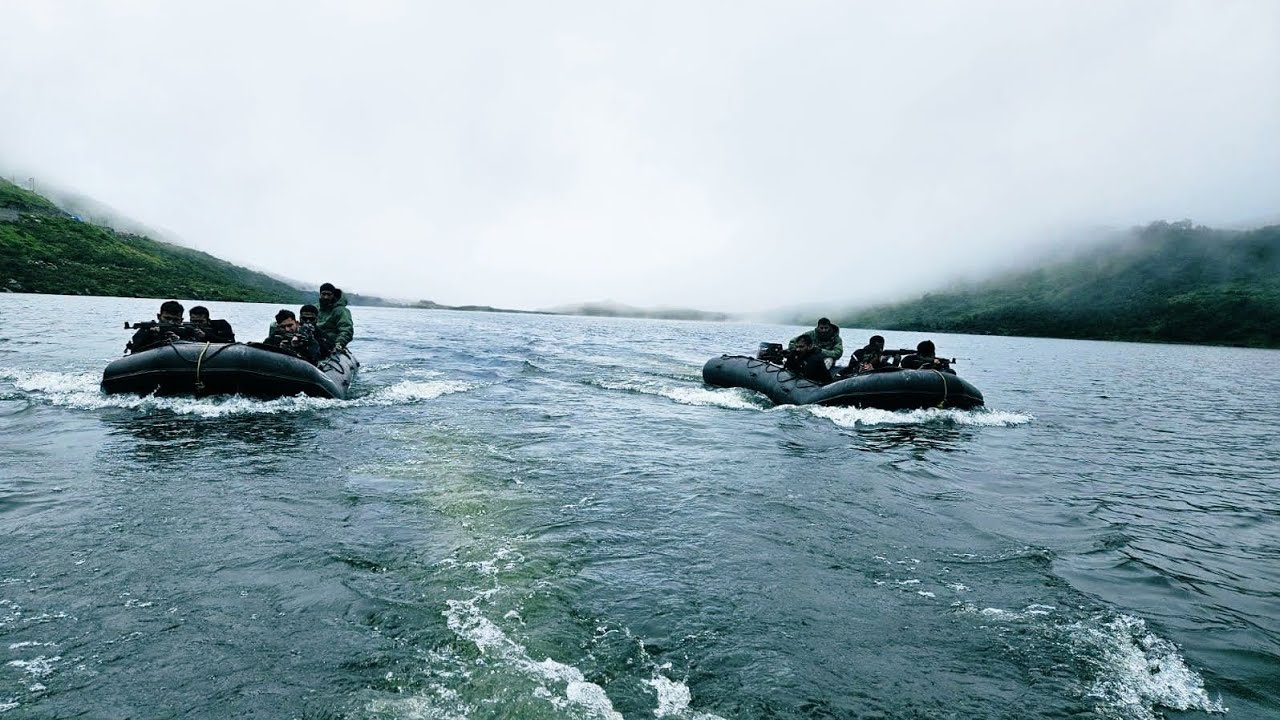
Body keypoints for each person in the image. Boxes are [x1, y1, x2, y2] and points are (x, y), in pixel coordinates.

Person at [316, 283, 354, 352]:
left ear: (333, 295)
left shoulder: (341, 311)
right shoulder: (315, 309)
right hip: (314, 341)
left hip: (331, 343)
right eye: (323, 294)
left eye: (329, 294)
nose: (326, 297)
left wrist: (339, 344)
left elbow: (346, 330)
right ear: (320, 294)